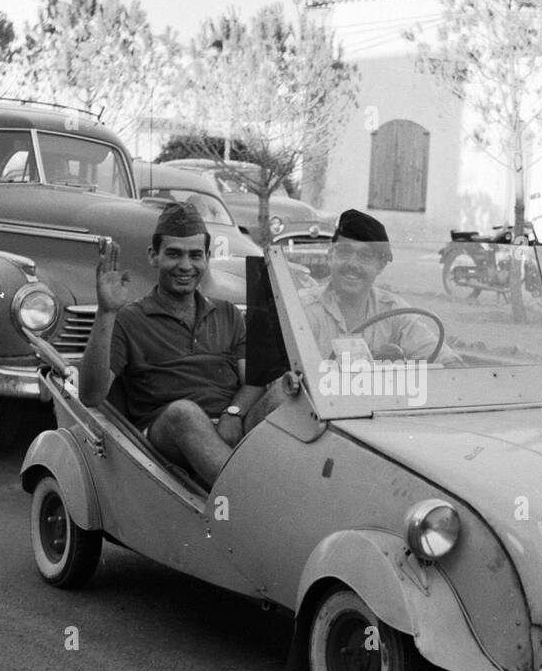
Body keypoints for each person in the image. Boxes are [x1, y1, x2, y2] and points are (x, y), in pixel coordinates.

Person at [77, 202, 270, 486]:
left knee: (286, 393)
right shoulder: (128, 319)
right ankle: (249, 498)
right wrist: (106, 312)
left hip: (231, 426)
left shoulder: (228, 312)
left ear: (207, 258)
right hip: (167, 434)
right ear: (154, 257)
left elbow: (254, 381)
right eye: (174, 254)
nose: (185, 266)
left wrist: (234, 413)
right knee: (185, 412)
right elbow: (91, 395)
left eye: (195, 255)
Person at [303, 209, 461, 364]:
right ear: (330, 257)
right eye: (344, 252)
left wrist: (453, 366)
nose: (352, 264)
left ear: (380, 266)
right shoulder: (303, 310)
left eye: (365, 256)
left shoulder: (393, 311)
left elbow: (442, 357)